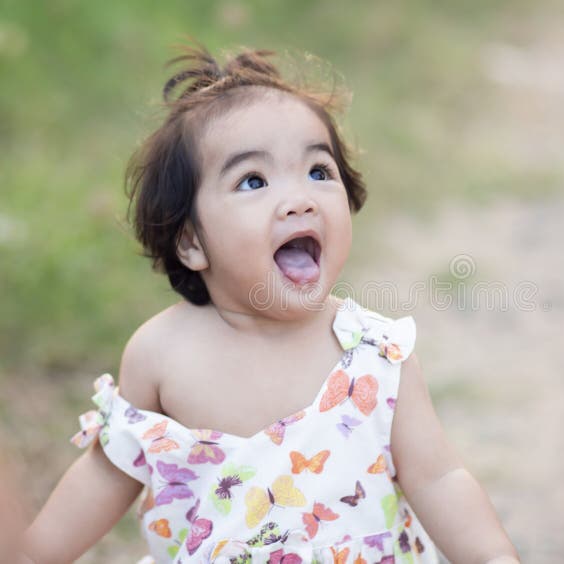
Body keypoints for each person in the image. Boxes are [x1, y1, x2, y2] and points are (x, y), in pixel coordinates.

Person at [18, 40, 520, 564]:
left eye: (319, 172)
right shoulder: (163, 355)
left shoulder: (374, 354)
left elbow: (438, 477)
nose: (301, 198)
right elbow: (106, 472)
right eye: (253, 180)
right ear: (190, 241)